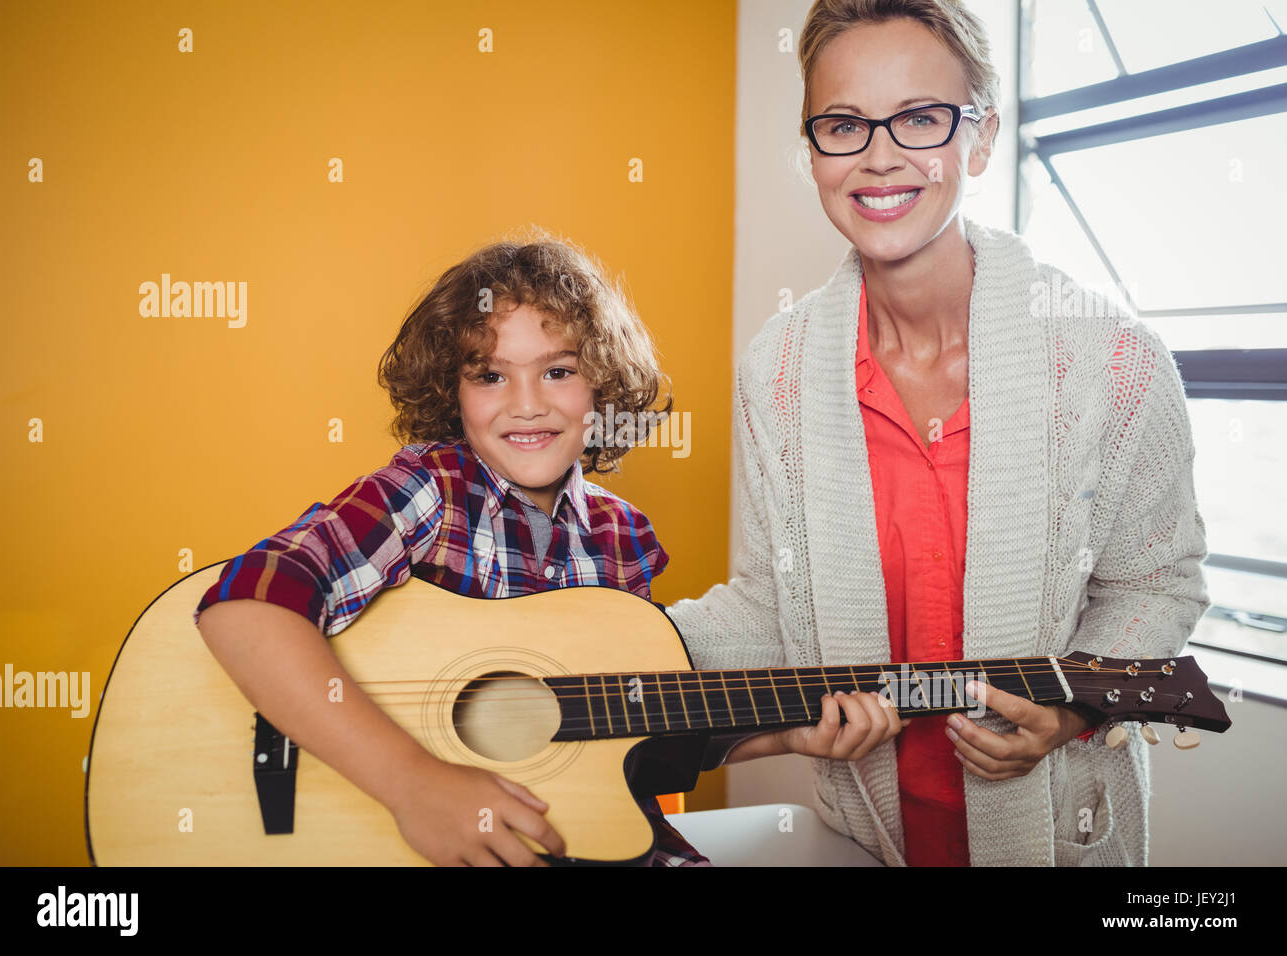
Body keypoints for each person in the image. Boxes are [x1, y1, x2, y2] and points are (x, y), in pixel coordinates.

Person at [667, 0, 1210, 866]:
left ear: (982, 137)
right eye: (843, 124)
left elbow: (1159, 585)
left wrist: (1070, 713)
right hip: (865, 838)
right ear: (811, 149)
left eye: (920, 118)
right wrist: (616, 639)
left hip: (1063, 842)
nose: (880, 157)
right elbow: (775, 604)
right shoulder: (774, 372)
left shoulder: (1115, 361)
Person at [193, 234, 709, 866]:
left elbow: (625, 742)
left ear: (601, 384)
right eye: (490, 375)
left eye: (558, 370)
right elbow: (245, 602)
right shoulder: (428, 492)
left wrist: (788, 730)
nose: (527, 404)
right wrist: (414, 783)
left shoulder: (625, 538)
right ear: (451, 392)